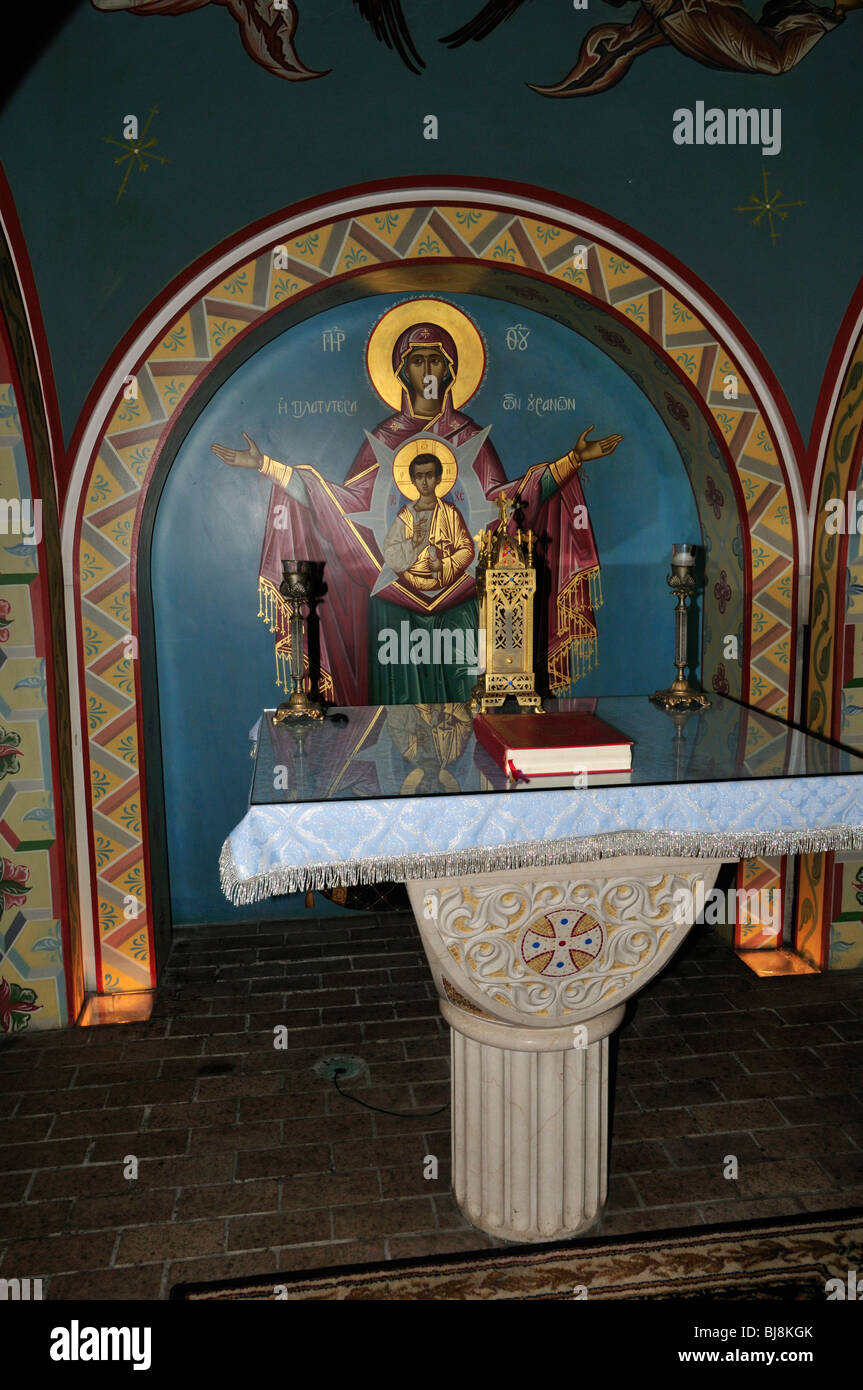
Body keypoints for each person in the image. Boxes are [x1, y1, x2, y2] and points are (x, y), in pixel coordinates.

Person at [211, 306, 622, 703]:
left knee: (466, 716)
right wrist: (266, 465)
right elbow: (338, 506)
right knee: (398, 723)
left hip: (463, 606)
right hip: (395, 614)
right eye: (417, 362)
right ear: (401, 372)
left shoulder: (469, 435)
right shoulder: (385, 437)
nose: (427, 372)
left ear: (450, 371)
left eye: (436, 361)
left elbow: (509, 502)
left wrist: (573, 460)